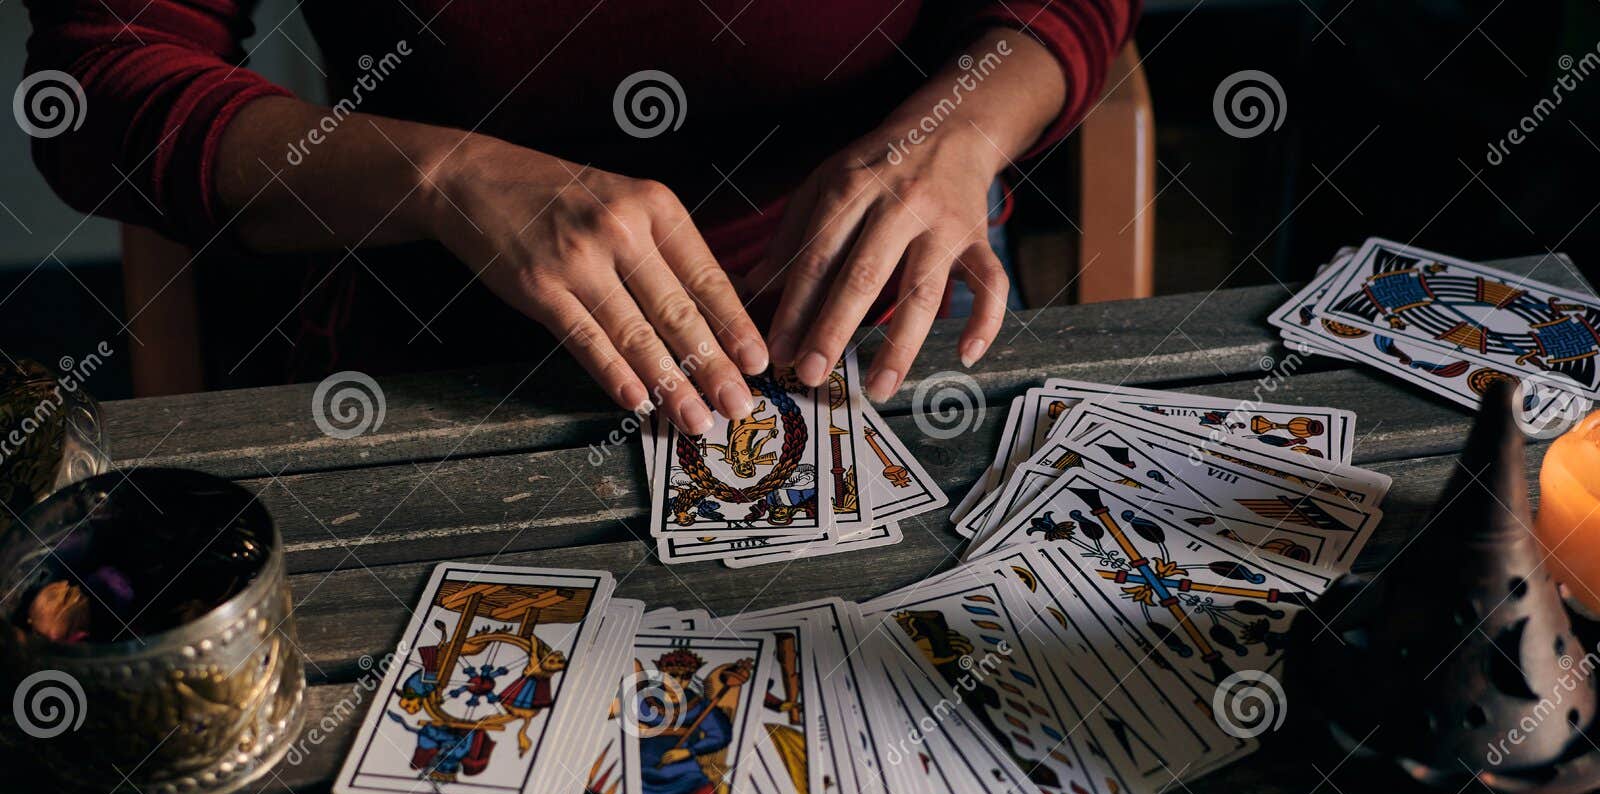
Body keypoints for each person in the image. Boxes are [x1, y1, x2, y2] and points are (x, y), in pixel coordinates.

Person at [25, 2, 1137, 432]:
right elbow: (99, 77)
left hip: (878, 325)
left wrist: (963, 127)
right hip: (447, 369)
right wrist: (442, 176)